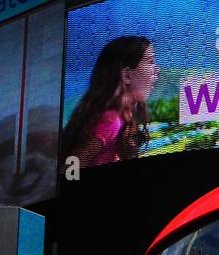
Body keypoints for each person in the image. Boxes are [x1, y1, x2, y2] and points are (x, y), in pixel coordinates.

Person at [61, 36, 157, 168]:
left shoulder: (123, 116)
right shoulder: (111, 122)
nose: (157, 69)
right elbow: (68, 170)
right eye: (150, 62)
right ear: (127, 76)